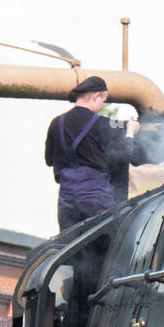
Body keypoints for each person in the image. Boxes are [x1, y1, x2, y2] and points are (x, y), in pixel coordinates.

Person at [44, 76, 133, 231]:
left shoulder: (56, 123)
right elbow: (124, 155)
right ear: (96, 96)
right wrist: (131, 131)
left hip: (67, 202)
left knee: (70, 248)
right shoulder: (103, 124)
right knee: (101, 250)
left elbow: (49, 160)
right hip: (97, 203)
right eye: (103, 100)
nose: (102, 105)